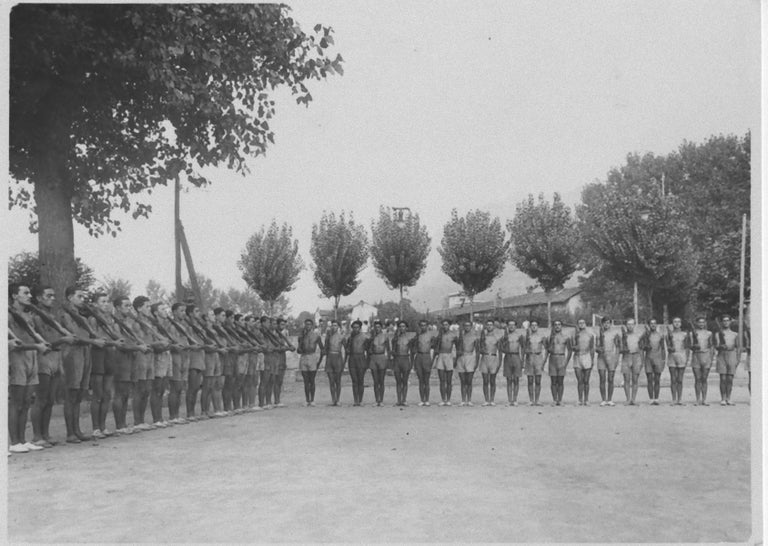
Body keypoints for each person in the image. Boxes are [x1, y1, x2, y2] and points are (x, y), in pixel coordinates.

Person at [29, 285, 77, 447]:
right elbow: (44, 341)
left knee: (50, 399)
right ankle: (37, 435)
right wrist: (63, 340)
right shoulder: (35, 317)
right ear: (39, 298)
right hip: (44, 357)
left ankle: (46, 434)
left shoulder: (52, 316)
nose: (52, 299)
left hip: (56, 356)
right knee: (41, 398)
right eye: (48, 296)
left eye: (53, 296)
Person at [59, 286, 106, 442]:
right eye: (79, 296)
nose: (82, 299)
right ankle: (70, 432)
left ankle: (77, 430)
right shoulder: (66, 315)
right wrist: (93, 341)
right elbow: (74, 335)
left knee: (79, 395)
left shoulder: (82, 316)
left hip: (85, 352)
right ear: (70, 297)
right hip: (72, 353)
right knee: (71, 394)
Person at [8, 284, 48, 453]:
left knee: (26, 402)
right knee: (16, 402)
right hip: (17, 358)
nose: (29, 295)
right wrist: (36, 346)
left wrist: (40, 344)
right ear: (14, 295)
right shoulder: (8, 315)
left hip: (32, 357)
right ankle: (14, 441)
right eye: (25, 293)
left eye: (29, 292)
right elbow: (14, 344)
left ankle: (23, 440)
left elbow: (33, 334)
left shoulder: (28, 315)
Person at [85, 292, 122, 437]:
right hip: (98, 354)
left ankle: (103, 426)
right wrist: (113, 342)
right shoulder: (93, 319)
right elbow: (95, 338)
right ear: (95, 304)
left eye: (107, 302)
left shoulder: (110, 319)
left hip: (110, 354)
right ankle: (95, 428)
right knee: (98, 393)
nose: (106, 304)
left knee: (107, 393)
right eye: (102, 301)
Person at [112, 297, 148, 434]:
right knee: (120, 392)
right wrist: (138, 348)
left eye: (129, 306)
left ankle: (123, 423)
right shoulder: (115, 322)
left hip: (131, 356)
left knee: (126, 393)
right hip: (121, 358)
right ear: (118, 307)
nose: (129, 308)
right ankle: (119, 425)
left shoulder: (129, 321)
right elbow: (121, 343)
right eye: (126, 306)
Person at [715, 315, 743, 406]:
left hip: (732, 355)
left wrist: (738, 359)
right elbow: (716, 346)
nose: (726, 322)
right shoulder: (718, 333)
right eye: (724, 321)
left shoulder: (735, 334)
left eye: (727, 320)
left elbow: (738, 347)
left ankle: (729, 398)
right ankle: (723, 398)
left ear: (730, 322)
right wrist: (720, 347)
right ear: (722, 322)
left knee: (730, 378)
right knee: (722, 378)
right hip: (722, 355)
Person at [298, 318, 325, 406]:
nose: (308, 326)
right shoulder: (301, 336)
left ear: (312, 326)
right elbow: (298, 350)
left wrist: (319, 362)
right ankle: (307, 400)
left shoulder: (316, 336)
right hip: (304, 357)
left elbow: (323, 350)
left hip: (312, 357)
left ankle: (312, 399)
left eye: (309, 324)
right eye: (306, 324)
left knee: (312, 380)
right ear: (304, 325)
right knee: (306, 380)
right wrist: (300, 345)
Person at [595, 317, 620, 407]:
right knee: (602, 379)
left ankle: (609, 399)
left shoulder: (614, 333)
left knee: (610, 379)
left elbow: (617, 347)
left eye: (608, 323)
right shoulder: (599, 334)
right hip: (601, 357)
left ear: (610, 324)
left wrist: (616, 358)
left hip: (611, 357)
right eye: (605, 323)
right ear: (602, 324)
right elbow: (596, 347)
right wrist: (599, 349)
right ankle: (603, 399)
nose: (606, 324)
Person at [432, 319, 459, 406]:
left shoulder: (453, 335)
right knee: (442, 380)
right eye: (443, 324)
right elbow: (434, 346)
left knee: (449, 380)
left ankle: (448, 399)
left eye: (446, 324)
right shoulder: (439, 335)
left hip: (449, 356)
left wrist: (456, 359)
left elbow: (458, 347)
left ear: (449, 325)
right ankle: (443, 399)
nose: (445, 326)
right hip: (441, 356)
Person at [690, 317, 715, 406]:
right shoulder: (692, 333)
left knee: (704, 378)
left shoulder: (709, 333)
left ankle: (704, 399)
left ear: (705, 323)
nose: (701, 324)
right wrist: (694, 346)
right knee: (697, 379)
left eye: (703, 322)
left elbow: (711, 345)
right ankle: (697, 399)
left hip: (706, 356)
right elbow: (690, 346)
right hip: (696, 356)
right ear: (696, 323)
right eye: (699, 322)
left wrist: (711, 358)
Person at [478, 319, 503, 406]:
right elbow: (480, 349)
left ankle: (492, 399)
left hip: (493, 357)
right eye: (488, 325)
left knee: (492, 380)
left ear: (493, 327)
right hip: (485, 358)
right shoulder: (483, 337)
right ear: (486, 326)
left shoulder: (497, 338)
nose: (489, 326)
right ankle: (486, 399)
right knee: (485, 380)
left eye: (491, 325)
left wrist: (500, 363)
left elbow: (500, 351)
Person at [545, 320, 571, 406]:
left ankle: (560, 399)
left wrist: (566, 362)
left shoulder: (566, 337)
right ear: (553, 326)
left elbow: (570, 350)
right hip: (552, 358)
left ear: (561, 326)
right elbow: (547, 350)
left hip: (561, 357)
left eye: (559, 324)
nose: (557, 326)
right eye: (555, 325)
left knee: (560, 381)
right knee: (553, 381)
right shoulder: (549, 337)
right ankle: (554, 399)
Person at [411, 319, 436, 406]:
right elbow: (413, 348)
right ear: (419, 326)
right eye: (421, 325)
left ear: (427, 326)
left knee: (426, 380)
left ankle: (427, 399)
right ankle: (422, 399)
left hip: (427, 356)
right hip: (419, 356)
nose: (423, 327)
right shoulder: (417, 336)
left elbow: (434, 348)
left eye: (425, 325)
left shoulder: (431, 336)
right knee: (421, 380)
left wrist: (432, 360)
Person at [620, 318, 644, 406]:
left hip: (636, 357)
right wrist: (623, 350)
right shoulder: (623, 336)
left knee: (635, 379)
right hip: (626, 357)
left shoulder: (638, 335)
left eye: (632, 324)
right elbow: (620, 348)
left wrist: (642, 361)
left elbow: (641, 349)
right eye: (628, 324)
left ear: (634, 325)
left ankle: (633, 399)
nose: (630, 326)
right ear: (626, 325)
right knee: (626, 379)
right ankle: (627, 399)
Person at [666, 317, 690, 406]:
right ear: (672, 323)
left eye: (678, 322)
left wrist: (687, 358)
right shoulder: (669, 334)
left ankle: (680, 399)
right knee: (673, 379)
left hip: (681, 356)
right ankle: (673, 399)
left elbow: (687, 347)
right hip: (672, 357)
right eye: (675, 321)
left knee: (680, 379)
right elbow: (668, 345)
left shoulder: (685, 334)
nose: (677, 323)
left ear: (681, 323)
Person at [524, 319, 548, 406]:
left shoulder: (542, 337)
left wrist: (544, 361)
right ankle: (531, 400)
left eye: (535, 325)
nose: (534, 327)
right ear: (530, 327)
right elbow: (524, 348)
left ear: (538, 327)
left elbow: (546, 349)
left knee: (538, 380)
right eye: (532, 325)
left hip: (538, 358)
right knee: (530, 380)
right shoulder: (528, 337)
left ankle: (537, 400)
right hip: (530, 358)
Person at [272, 318, 295, 407]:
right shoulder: (273, 334)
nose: (283, 326)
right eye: (281, 324)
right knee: (275, 380)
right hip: (275, 358)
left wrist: (287, 347)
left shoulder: (282, 334)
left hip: (282, 358)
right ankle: (275, 400)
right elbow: (278, 347)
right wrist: (287, 348)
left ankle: (278, 400)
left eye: (284, 325)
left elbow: (291, 347)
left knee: (280, 381)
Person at [455, 320, 479, 407]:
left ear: (471, 327)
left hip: (470, 357)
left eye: (468, 326)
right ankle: (463, 400)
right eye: (465, 326)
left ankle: (469, 399)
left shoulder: (474, 337)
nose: (467, 327)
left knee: (469, 381)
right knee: (462, 381)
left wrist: (476, 362)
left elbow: (478, 351)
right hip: (461, 358)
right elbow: (457, 349)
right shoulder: (460, 337)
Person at [571, 318, 595, 406]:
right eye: (579, 323)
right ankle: (580, 399)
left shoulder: (590, 334)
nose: (581, 324)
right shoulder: (574, 334)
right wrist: (575, 346)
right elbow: (572, 347)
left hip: (587, 356)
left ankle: (587, 399)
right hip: (577, 357)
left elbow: (592, 348)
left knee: (586, 380)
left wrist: (592, 360)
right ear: (577, 324)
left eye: (583, 322)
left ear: (585, 323)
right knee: (580, 380)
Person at [642, 319, 666, 405]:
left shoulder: (660, 335)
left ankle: (656, 398)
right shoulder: (646, 335)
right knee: (649, 379)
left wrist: (663, 360)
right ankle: (651, 398)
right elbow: (642, 346)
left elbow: (663, 348)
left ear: (656, 325)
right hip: (648, 358)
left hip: (658, 358)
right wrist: (645, 346)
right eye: (651, 323)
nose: (653, 325)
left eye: (654, 323)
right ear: (649, 325)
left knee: (657, 379)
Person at [390, 320, 413, 407]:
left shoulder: (409, 338)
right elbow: (392, 351)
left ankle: (404, 400)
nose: (402, 328)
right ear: (398, 328)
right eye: (400, 326)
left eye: (403, 326)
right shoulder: (395, 339)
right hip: (397, 360)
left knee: (405, 381)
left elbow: (412, 352)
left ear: (406, 328)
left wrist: (411, 363)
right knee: (398, 381)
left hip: (406, 359)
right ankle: (399, 400)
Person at [344, 320, 367, 406]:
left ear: (360, 328)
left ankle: (360, 400)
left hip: (361, 358)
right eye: (353, 328)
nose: (355, 329)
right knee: (354, 380)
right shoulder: (350, 338)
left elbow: (368, 350)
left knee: (361, 380)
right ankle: (355, 400)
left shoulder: (365, 337)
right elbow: (347, 350)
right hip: (352, 359)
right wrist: (345, 361)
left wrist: (367, 362)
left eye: (357, 327)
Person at [501, 319, 524, 406]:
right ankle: (509, 399)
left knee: (516, 379)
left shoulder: (519, 335)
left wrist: (522, 360)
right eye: (509, 325)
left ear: (516, 326)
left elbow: (523, 348)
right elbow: (501, 348)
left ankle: (515, 399)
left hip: (516, 356)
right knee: (509, 379)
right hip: (508, 357)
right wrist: (505, 342)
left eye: (513, 325)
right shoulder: (504, 336)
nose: (511, 326)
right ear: (507, 326)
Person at [368, 320, 390, 406]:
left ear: (381, 328)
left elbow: (388, 350)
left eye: (378, 327)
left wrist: (388, 360)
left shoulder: (385, 337)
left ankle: (381, 400)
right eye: (375, 327)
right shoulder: (372, 338)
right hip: (374, 358)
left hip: (382, 357)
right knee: (375, 381)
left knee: (381, 380)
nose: (377, 329)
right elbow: (369, 349)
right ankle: (376, 399)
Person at [324, 319, 345, 406]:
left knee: (338, 381)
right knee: (331, 381)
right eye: (332, 325)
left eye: (335, 325)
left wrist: (344, 361)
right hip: (330, 358)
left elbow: (347, 349)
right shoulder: (328, 337)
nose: (334, 327)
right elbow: (325, 349)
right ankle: (333, 399)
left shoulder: (341, 337)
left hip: (338, 357)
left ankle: (338, 399)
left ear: (338, 327)